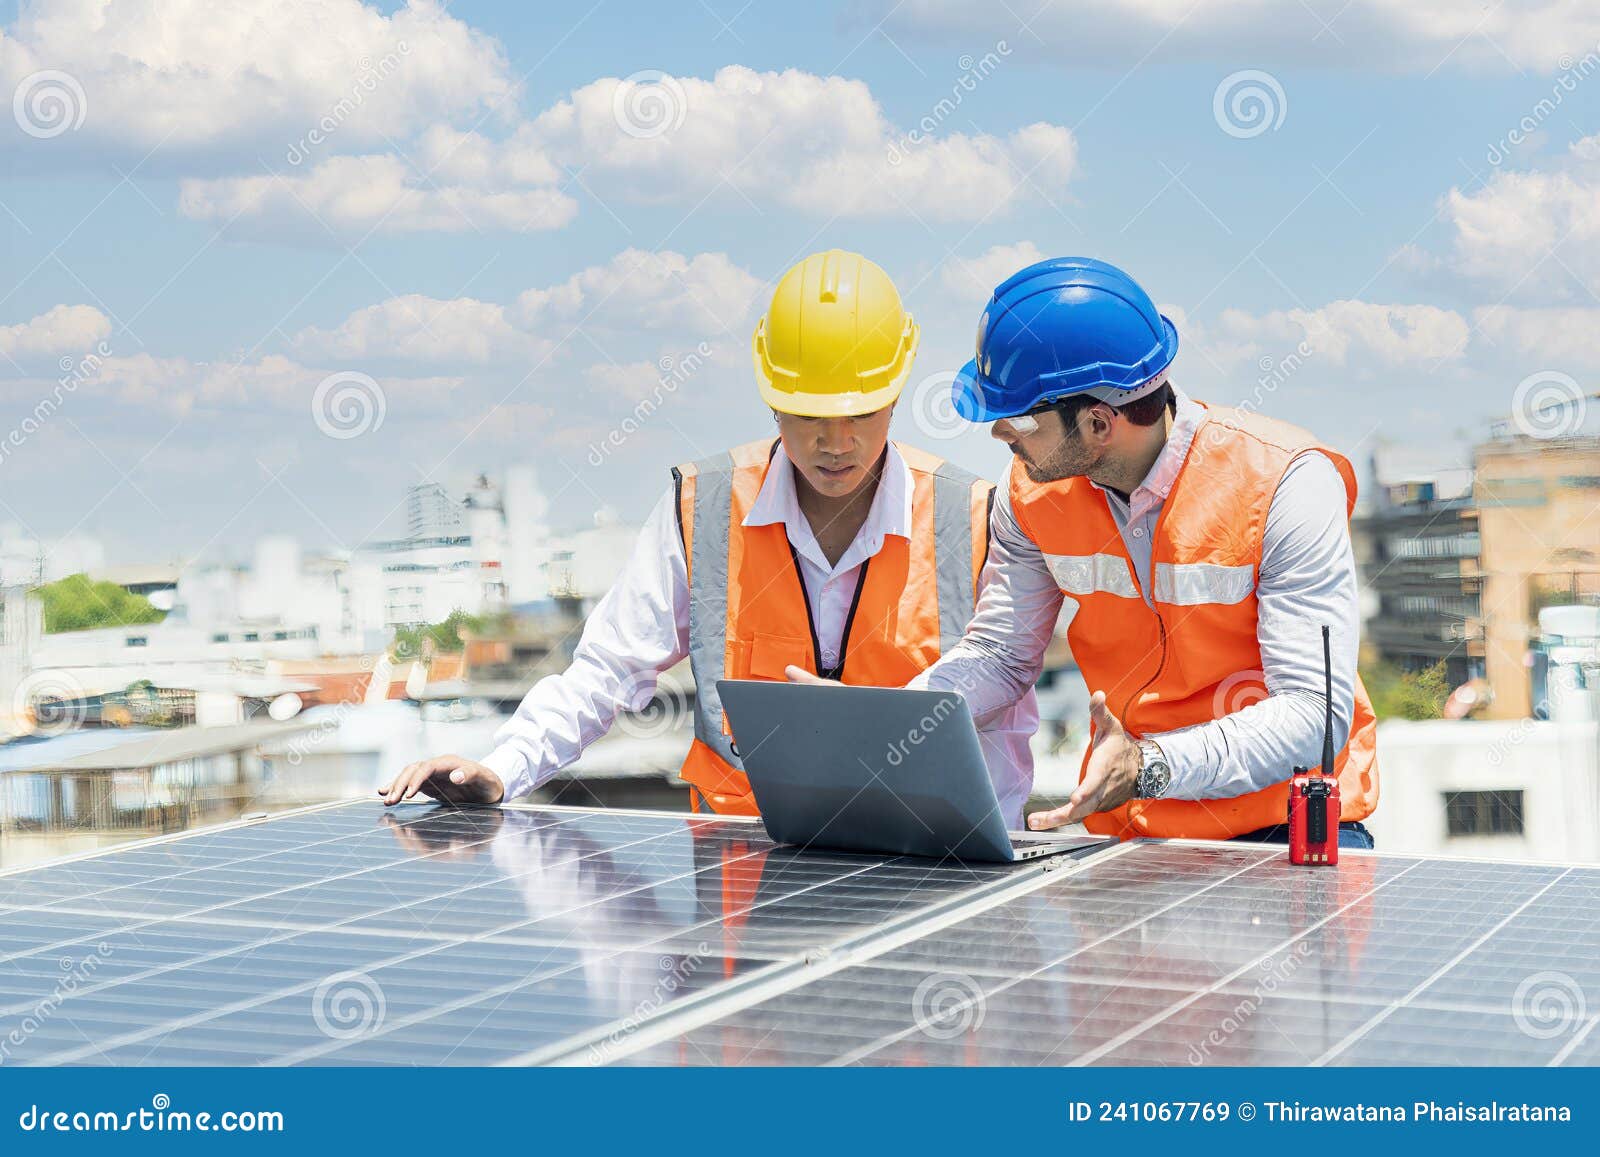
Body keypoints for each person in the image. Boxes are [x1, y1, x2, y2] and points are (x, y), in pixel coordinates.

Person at [379, 250, 1038, 823]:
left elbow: (1004, 712)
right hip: (742, 884)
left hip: (923, 869)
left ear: (896, 393)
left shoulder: (973, 515)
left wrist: (982, 875)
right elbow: (606, 672)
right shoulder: (702, 508)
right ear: (770, 395)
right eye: (808, 413)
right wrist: (502, 767)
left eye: (859, 413)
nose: (834, 441)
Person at [794, 256, 1378, 848]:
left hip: (1281, 833)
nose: (998, 433)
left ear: (1099, 422)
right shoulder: (1028, 492)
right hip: (1131, 829)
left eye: (1016, 418)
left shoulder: (1284, 484)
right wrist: (881, 722)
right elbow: (1000, 655)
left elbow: (1312, 713)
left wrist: (1148, 765)